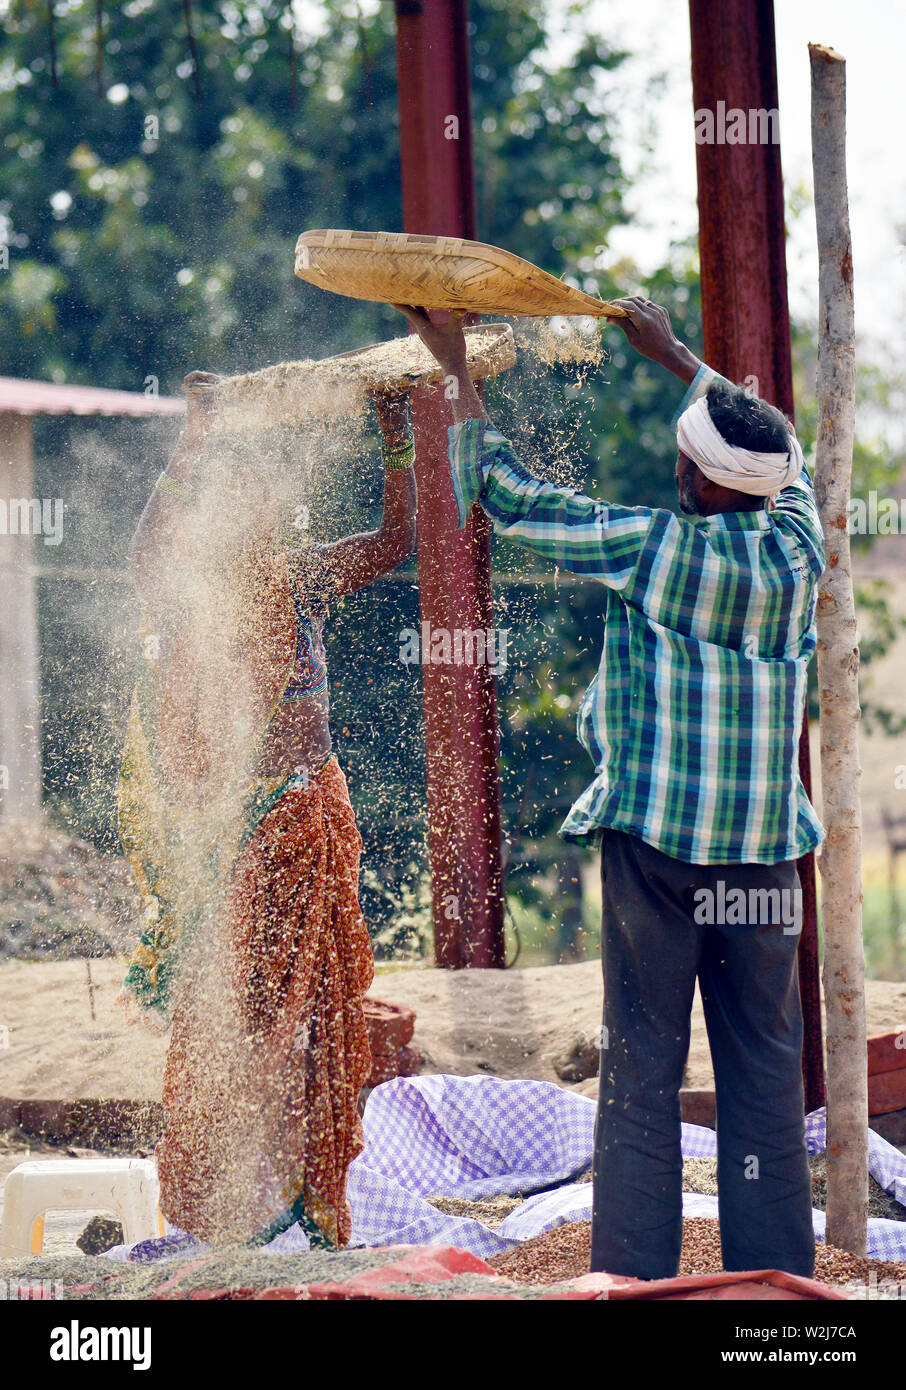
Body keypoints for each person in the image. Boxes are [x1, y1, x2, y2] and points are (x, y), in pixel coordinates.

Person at [401, 298, 824, 1280]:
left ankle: (631, 1282)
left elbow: (510, 495)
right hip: (765, 864)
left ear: (691, 473)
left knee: (642, 1065)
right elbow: (786, 450)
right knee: (765, 1075)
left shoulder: (653, 548)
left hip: (659, 854)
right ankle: (781, 1289)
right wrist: (677, 355)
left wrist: (454, 363)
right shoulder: (799, 552)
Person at [117, 371, 417, 1248]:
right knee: (236, 1019)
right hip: (233, 837)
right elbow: (143, 558)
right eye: (235, 501)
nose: (257, 516)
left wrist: (394, 437)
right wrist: (194, 437)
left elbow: (398, 538)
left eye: (264, 501)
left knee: (315, 1017)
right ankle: (229, 1208)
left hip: (308, 812)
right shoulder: (190, 598)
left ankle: (302, 1208)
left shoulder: (303, 580)